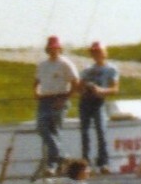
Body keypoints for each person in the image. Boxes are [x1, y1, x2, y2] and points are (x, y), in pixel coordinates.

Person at [33, 35, 80, 174]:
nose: (53, 50)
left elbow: (75, 83)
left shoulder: (65, 63)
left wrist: (64, 99)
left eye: (55, 48)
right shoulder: (42, 65)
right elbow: (36, 81)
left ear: (60, 49)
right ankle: (61, 156)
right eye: (51, 48)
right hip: (44, 99)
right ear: (47, 49)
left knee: (54, 130)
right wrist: (36, 92)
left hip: (59, 97)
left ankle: (52, 164)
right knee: (42, 127)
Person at [78, 41, 120, 173]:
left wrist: (100, 90)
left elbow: (115, 88)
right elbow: (79, 86)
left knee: (101, 131)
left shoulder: (111, 69)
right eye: (94, 52)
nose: (97, 54)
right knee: (85, 133)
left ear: (105, 53)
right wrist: (86, 88)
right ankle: (86, 162)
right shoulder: (87, 69)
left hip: (99, 101)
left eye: (99, 51)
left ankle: (103, 162)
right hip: (85, 102)